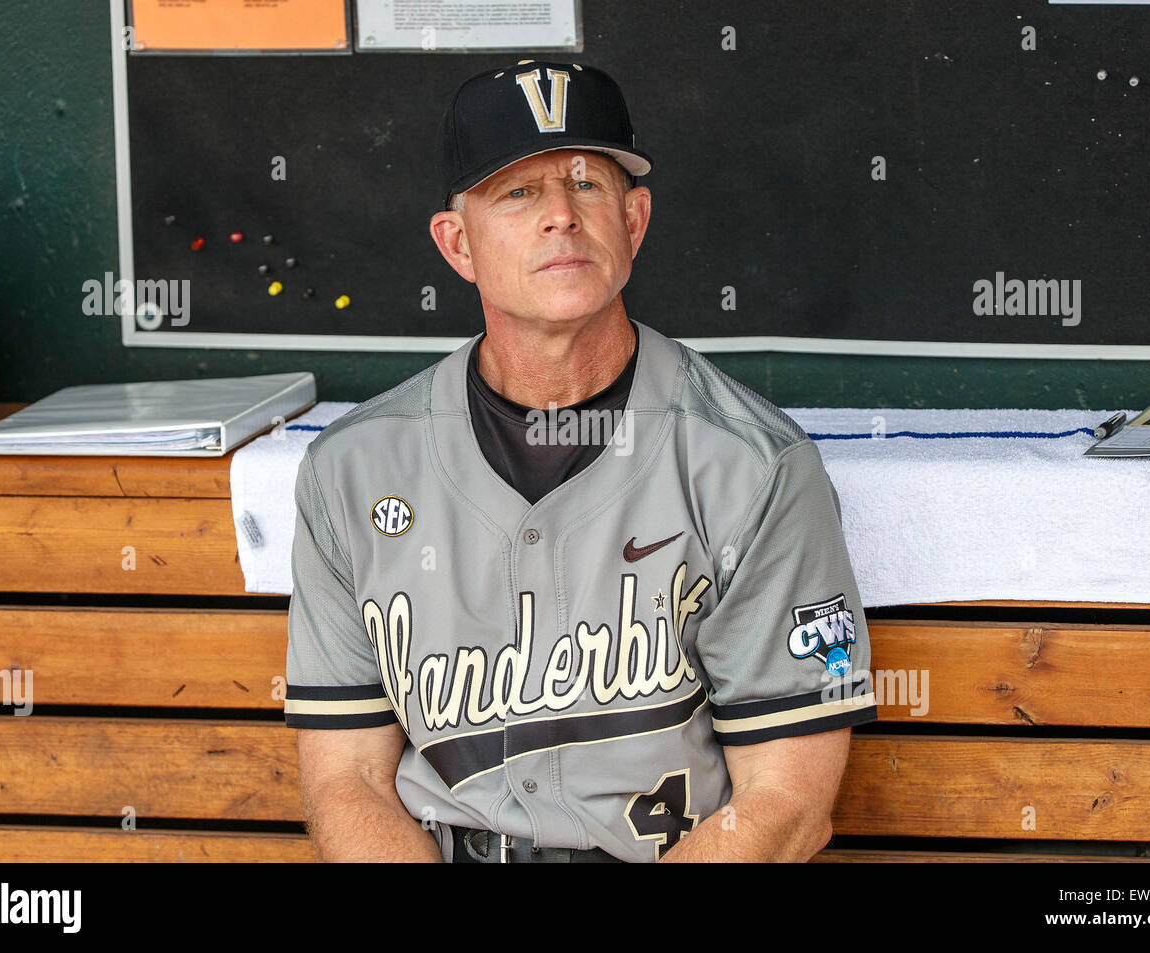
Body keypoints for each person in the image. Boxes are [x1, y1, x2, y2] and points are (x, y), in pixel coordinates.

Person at [284, 59, 877, 862]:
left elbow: (786, 805)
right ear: (457, 243)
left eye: (586, 184)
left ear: (633, 221)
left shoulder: (755, 467)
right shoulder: (351, 469)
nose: (560, 215)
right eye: (518, 192)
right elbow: (345, 779)